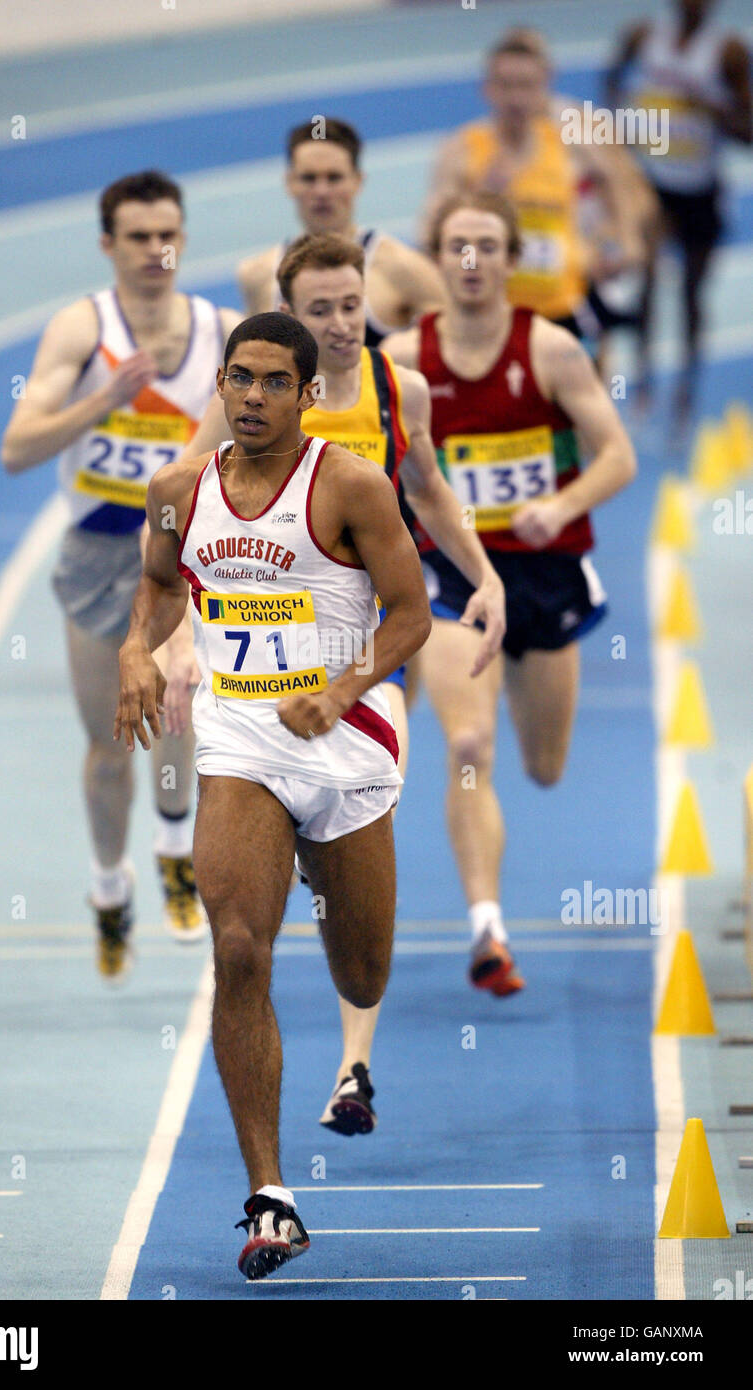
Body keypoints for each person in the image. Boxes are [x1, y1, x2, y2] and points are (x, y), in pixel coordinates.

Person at [114, 312, 432, 1279]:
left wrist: (340, 687)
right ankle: (271, 1197)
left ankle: (355, 1009)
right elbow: (161, 584)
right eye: (238, 379)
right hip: (243, 740)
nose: (252, 397)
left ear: (307, 393)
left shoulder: (351, 485)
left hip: (345, 751)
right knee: (240, 947)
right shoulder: (179, 491)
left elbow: (413, 614)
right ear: (220, 384)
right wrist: (137, 647)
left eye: (272, 383)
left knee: (362, 974)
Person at [182, 232, 506, 1136]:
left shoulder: (399, 386)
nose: (336, 322)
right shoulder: (254, 394)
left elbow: (429, 487)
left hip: (375, 629)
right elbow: (189, 518)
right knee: (251, 924)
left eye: (350, 306)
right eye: (317, 309)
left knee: (430, 774)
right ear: (289, 310)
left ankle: (355, 1059)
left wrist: (483, 574)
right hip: (254, 654)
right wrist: (168, 642)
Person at [383, 190, 636, 1003]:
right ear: (437, 253)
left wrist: (559, 506)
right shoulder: (402, 360)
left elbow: (617, 457)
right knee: (467, 748)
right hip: (457, 576)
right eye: (456, 245)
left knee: (546, 767)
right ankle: (487, 928)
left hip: (545, 572)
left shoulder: (553, 350)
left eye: (487, 246)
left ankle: (490, 911)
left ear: (511, 257)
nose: (471, 261)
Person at [0, 170, 240, 979]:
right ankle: (111, 888)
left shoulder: (221, 332)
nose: (154, 250)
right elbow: (16, 449)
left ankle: (176, 846)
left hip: (183, 552)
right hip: (98, 553)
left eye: (166, 233)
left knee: (180, 705)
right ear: (108, 244)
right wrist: (102, 401)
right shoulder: (81, 327)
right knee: (110, 741)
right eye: (136, 236)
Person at [422, 29, 645, 343]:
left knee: (589, 385)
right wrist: (482, 196)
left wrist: (624, 242)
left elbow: (615, 181)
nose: (516, 98)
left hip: (562, 310)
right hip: (490, 315)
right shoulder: (461, 150)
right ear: (487, 89)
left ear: (545, 89)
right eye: (506, 86)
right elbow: (429, 231)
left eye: (527, 86)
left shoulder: (570, 142)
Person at [606, 0, 752, 422]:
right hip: (652, 187)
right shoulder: (642, 36)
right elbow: (612, 78)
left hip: (701, 191)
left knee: (690, 293)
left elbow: (748, 130)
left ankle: (687, 387)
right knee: (646, 283)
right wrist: (621, 123)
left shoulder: (729, 52)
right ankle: (644, 381)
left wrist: (712, 110)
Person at [238, 117, 445, 346]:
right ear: (290, 183)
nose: (322, 191)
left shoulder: (403, 267)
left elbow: (454, 346)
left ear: (357, 181)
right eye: (309, 178)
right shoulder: (258, 275)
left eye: (334, 178)